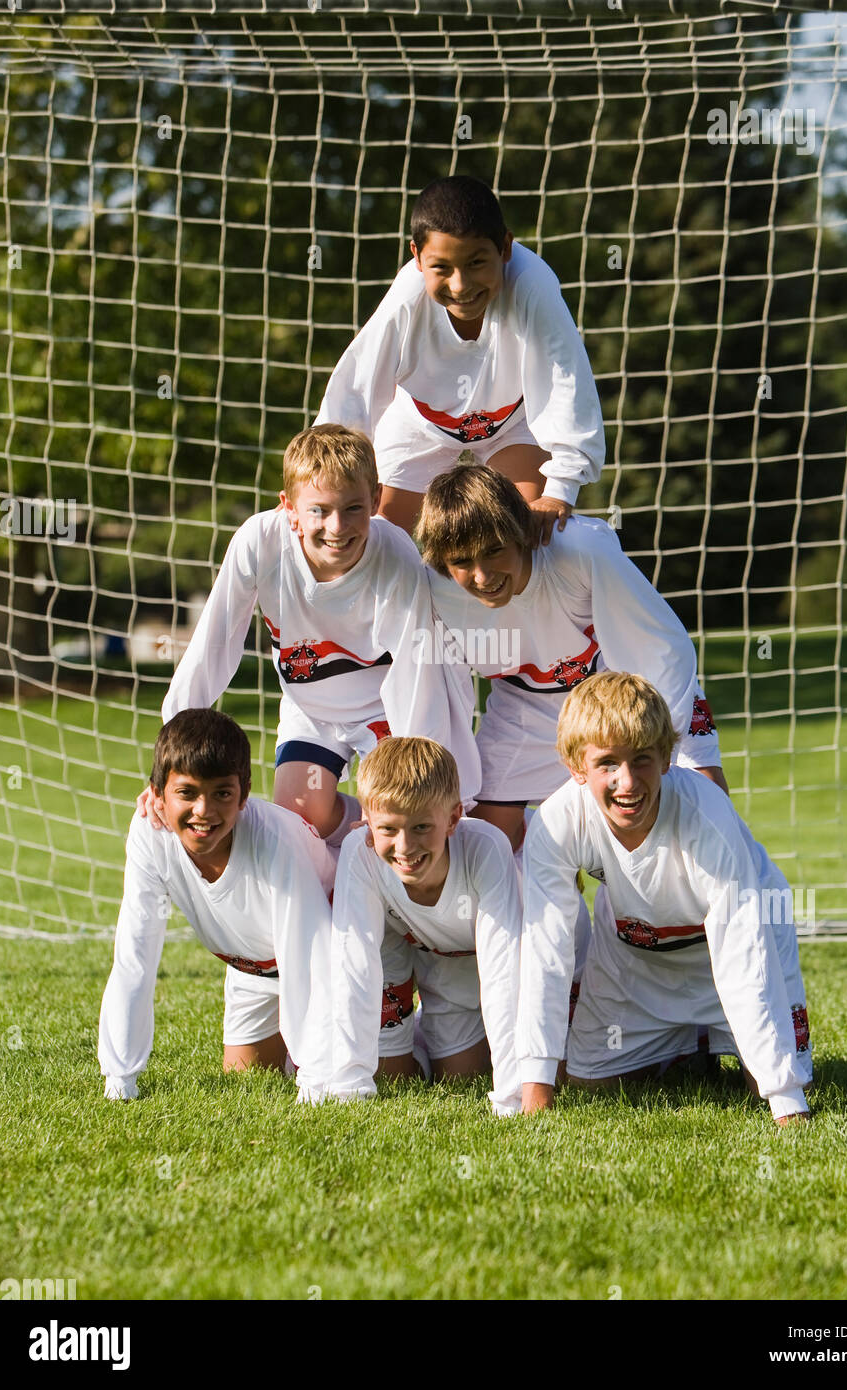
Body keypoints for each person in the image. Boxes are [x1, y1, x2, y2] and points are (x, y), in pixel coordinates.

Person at [142, 424, 479, 847]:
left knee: (403, 822)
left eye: (353, 508)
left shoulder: (394, 555)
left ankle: (378, 837)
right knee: (300, 821)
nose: (336, 527)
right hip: (312, 708)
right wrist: (168, 766)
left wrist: (422, 775)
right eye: (319, 510)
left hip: (385, 709)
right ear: (290, 509)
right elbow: (214, 643)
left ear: (376, 499)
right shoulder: (259, 543)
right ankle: (352, 849)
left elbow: (417, 671)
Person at [518, 672, 812, 1126]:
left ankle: (720, 1042)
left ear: (668, 756)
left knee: (772, 1087)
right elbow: (545, 950)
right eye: (606, 763)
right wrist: (536, 1089)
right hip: (636, 954)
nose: (627, 781)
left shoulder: (708, 814)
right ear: (576, 765)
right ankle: (685, 1047)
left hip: (741, 947)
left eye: (642, 760)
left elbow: (742, 948)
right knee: (588, 1082)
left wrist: (785, 1095)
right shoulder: (556, 823)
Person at [415, 463, 724, 853]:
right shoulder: (433, 590)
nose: (482, 576)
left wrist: (663, 746)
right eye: (462, 561)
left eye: (494, 551)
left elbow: (663, 651)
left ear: (523, 533)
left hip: (621, 694)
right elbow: (437, 697)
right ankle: (552, 866)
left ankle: (677, 911)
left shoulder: (580, 549)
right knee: (482, 841)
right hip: (524, 709)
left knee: (703, 811)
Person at [315, 174, 604, 540]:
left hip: (512, 427)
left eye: (476, 263)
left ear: (505, 248)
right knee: (383, 544)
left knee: (522, 535)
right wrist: (317, 482)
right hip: (417, 426)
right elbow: (353, 392)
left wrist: (561, 489)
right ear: (417, 257)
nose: (460, 285)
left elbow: (567, 383)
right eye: (442, 268)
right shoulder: (407, 300)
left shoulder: (533, 286)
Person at [99, 709, 336, 1102]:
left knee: (397, 1073)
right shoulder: (149, 835)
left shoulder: (276, 838)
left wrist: (315, 1076)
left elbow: (310, 957)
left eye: (221, 793)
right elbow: (134, 953)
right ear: (157, 795)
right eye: (187, 793)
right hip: (251, 969)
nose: (204, 811)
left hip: (336, 959)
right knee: (247, 1080)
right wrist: (120, 1077)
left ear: (244, 793)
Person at [321, 737, 523, 1116]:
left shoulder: (486, 848)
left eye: (421, 827)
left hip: (520, 964)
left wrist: (511, 1096)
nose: (405, 847)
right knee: (405, 1079)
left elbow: (504, 975)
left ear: (453, 817)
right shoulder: (359, 853)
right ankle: (416, 1035)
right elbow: (354, 964)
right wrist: (349, 1083)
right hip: (443, 961)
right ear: (366, 819)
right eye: (389, 829)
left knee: (558, 1074)